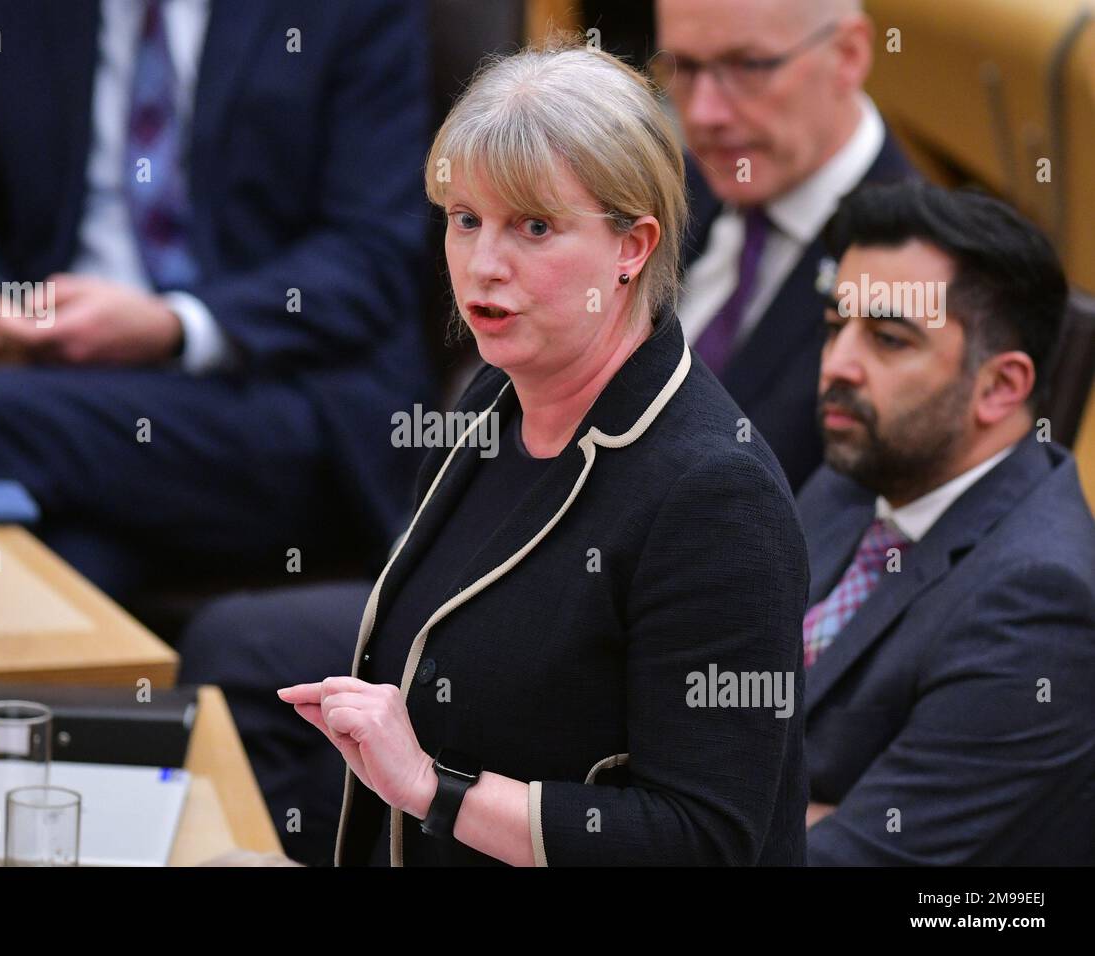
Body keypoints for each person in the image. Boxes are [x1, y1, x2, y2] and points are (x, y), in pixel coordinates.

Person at [273, 41, 810, 867]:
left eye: (534, 226)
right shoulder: (490, 401)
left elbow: (701, 841)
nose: (485, 266)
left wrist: (430, 788)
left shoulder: (715, 495)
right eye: (465, 220)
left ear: (632, 248)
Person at [0, 0, 432, 597]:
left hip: (271, 395)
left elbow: (372, 254)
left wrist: (173, 326)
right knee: (69, 569)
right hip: (60, 396)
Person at [800, 181, 1095, 864]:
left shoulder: (1041, 603)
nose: (838, 366)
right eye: (835, 325)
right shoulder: (856, 474)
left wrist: (691, 817)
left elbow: (853, 859)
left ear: (1001, 387)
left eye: (888, 339)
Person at [655, 0, 916, 488]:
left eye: (750, 66)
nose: (705, 112)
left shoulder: (917, 268)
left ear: (848, 55)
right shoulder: (671, 188)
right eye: (684, 67)